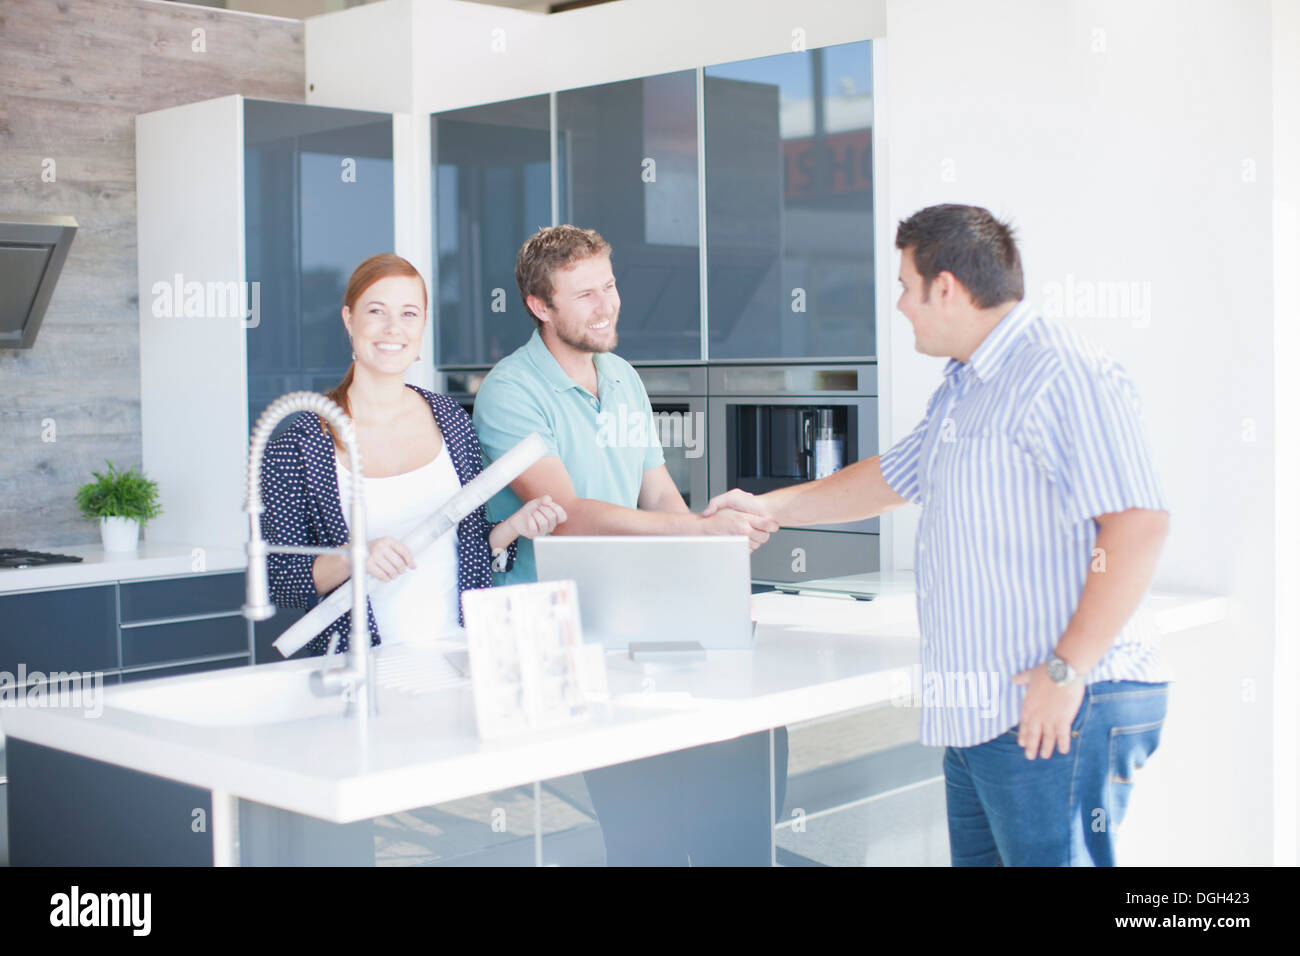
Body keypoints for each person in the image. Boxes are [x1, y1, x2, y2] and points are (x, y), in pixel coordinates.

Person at [705, 203, 1171, 867]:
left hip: (1055, 703)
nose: (899, 305)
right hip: (984, 713)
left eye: (904, 285)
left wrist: (1067, 670)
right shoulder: (966, 386)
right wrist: (762, 509)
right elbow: (891, 478)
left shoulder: (1061, 371)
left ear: (945, 287)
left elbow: (1136, 522)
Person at [472, 225, 788, 866]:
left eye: (609, 286)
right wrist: (698, 532)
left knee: (750, 751)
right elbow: (567, 515)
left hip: (640, 613)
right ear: (540, 306)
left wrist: (714, 555)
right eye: (584, 294)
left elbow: (660, 497)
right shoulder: (510, 392)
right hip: (563, 631)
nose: (607, 305)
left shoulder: (621, 378)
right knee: (646, 831)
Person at [259, 253, 565, 653]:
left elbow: (466, 546)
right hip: (358, 670)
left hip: (461, 655)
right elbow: (280, 581)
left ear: (422, 325)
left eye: (408, 313)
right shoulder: (301, 442)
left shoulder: (450, 420)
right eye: (376, 311)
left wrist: (514, 528)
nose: (393, 328)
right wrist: (355, 557)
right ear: (349, 320)